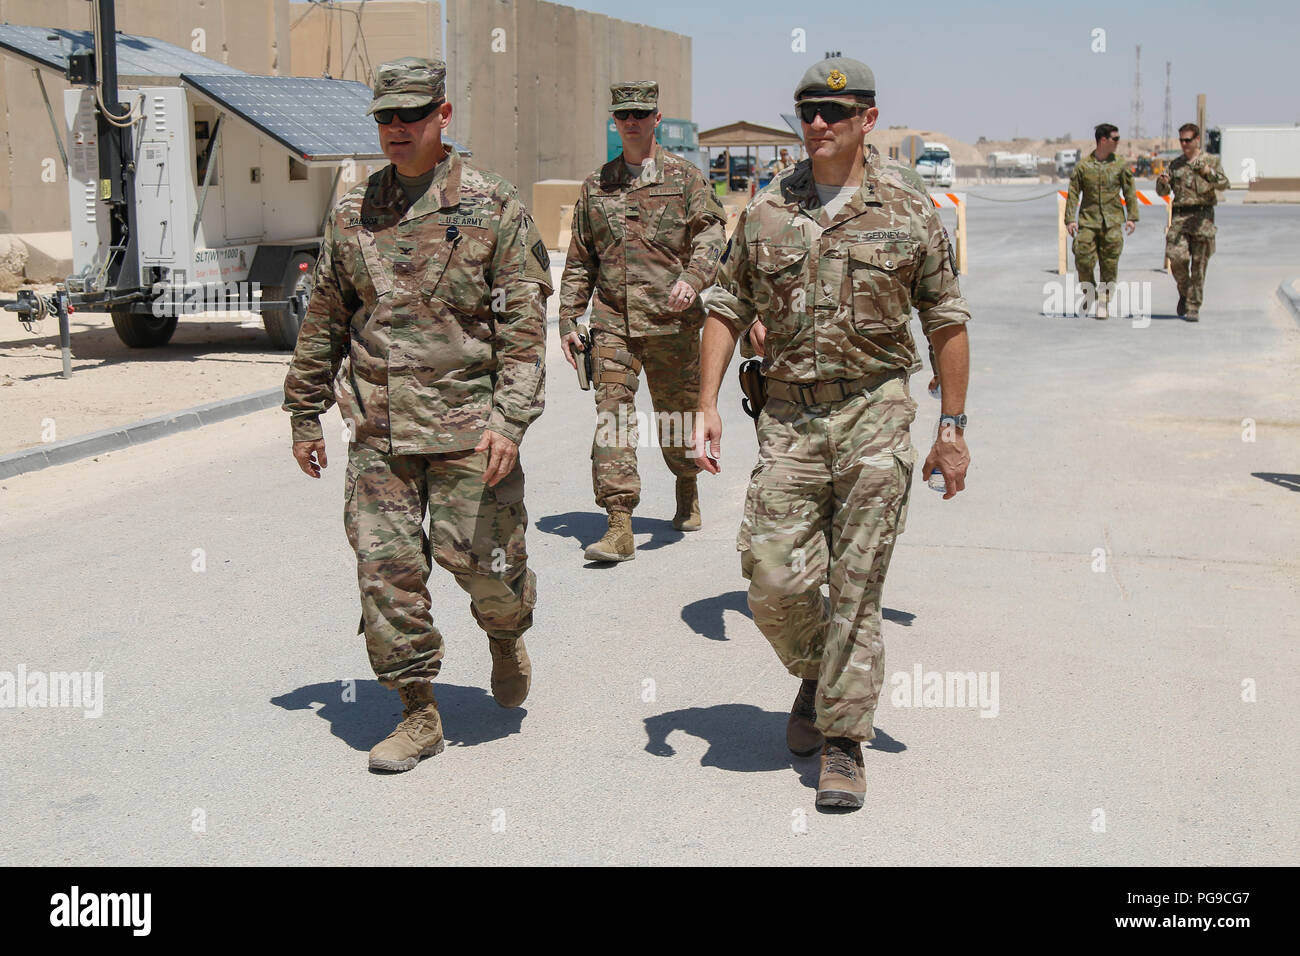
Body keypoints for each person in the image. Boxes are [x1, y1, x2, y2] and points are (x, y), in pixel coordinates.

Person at [693, 57, 972, 810]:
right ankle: (818, 676)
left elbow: (944, 318)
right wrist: (707, 403)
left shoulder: (911, 207)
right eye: (808, 110)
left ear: (867, 120)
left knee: (857, 583)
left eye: (836, 112)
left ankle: (845, 740)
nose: (819, 123)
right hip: (787, 415)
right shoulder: (767, 208)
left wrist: (952, 425)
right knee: (772, 579)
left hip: (876, 411)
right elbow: (724, 301)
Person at [283, 57, 552, 773]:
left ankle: (504, 633)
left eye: (411, 115)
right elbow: (325, 320)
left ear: (443, 116)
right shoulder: (351, 213)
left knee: (487, 570)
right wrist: (304, 410)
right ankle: (417, 711)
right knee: (385, 572)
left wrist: (510, 420)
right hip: (379, 430)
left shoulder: (495, 208)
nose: (396, 129)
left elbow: (524, 333)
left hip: (471, 429)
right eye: (384, 117)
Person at [558, 81, 726, 563]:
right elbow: (580, 257)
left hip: (673, 323)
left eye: (641, 113)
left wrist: (694, 279)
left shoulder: (686, 178)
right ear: (615, 121)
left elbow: (712, 236)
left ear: (656, 117)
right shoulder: (596, 186)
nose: (631, 121)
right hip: (613, 323)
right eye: (623, 114)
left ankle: (686, 485)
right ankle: (619, 523)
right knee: (613, 417)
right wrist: (569, 316)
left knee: (675, 416)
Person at [1156, 123, 1230, 321]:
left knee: (1199, 265)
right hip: (1180, 217)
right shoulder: (1176, 164)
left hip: (1202, 218)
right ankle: (1185, 291)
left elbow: (1224, 184)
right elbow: (1162, 192)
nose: (1184, 144)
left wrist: (1207, 172)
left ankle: (1193, 306)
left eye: (1188, 140)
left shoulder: (1210, 161)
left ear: (1197, 139)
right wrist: (1162, 183)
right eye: (1181, 140)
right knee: (1176, 258)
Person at [1064, 123, 1138, 319]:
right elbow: (1073, 193)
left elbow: (1130, 192)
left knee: (1109, 263)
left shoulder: (1120, 165)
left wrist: (1131, 217)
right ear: (1103, 140)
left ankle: (1104, 301)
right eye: (1115, 139)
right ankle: (1090, 293)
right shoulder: (1083, 166)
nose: (1118, 143)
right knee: (1082, 258)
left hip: (1112, 221)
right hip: (1088, 221)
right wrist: (1070, 219)